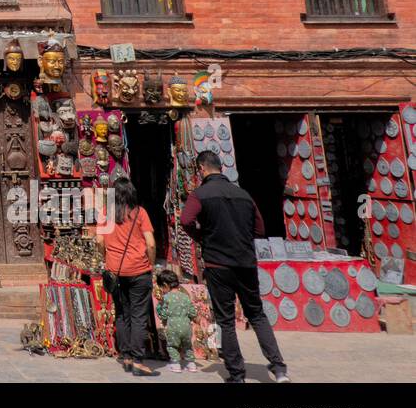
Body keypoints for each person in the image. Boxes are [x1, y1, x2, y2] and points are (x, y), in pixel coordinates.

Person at [181, 151, 289, 383]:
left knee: (226, 320)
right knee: (257, 314)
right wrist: (239, 236)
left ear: (202, 169)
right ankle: (279, 368)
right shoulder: (243, 195)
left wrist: (203, 236)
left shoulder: (199, 195)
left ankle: (237, 374)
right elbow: (260, 229)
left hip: (218, 263)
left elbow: (185, 221)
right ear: (220, 167)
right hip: (245, 262)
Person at [97, 176, 158, 376]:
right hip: (139, 270)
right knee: (139, 315)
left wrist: (107, 258)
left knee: (122, 312)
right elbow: (150, 243)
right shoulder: (140, 213)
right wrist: (151, 263)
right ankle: (138, 360)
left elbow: (99, 241)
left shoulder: (106, 214)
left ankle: (126, 355)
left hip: (115, 271)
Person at [156, 269, 198, 373]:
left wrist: (161, 316)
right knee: (188, 346)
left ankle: (175, 364)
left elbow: (164, 314)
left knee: (172, 346)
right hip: (186, 326)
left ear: (165, 285)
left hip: (172, 326)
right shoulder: (185, 296)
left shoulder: (166, 298)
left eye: (161, 287)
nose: (161, 290)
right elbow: (192, 312)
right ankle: (191, 364)